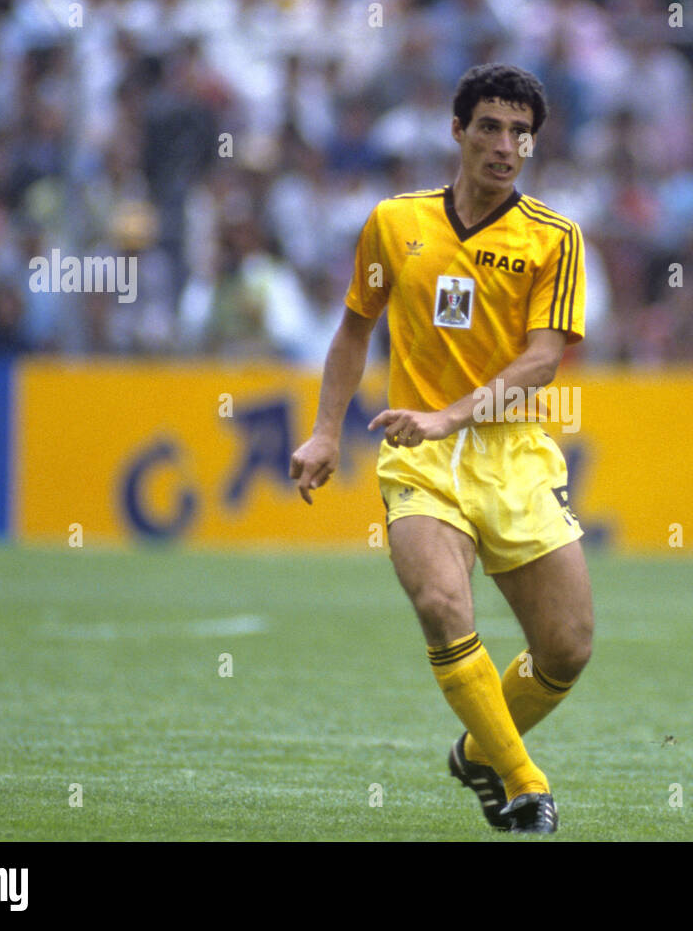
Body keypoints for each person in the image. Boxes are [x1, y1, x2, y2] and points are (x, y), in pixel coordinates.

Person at [289, 64, 592, 834]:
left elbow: (542, 360)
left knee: (567, 649)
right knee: (439, 603)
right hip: (417, 453)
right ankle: (526, 787)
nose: (505, 145)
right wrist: (326, 430)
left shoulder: (554, 237)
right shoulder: (395, 223)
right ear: (457, 130)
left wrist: (452, 416)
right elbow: (356, 325)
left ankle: (476, 752)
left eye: (521, 132)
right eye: (490, 126)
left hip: (510, 454)